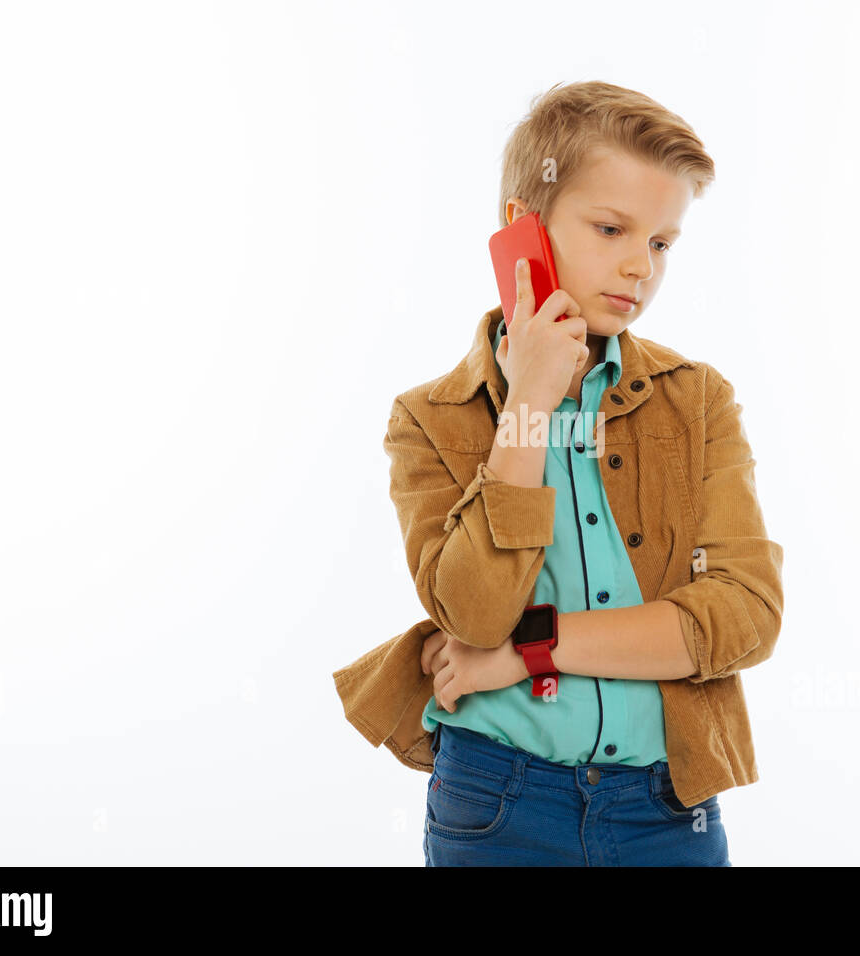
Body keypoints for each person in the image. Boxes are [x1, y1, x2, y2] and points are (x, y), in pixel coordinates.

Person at [333, 80, 785, 866]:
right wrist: (530, 404)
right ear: (524, 231)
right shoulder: (429, 419)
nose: (641, 266)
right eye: (612, 228)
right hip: (497, 801)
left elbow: (743, 616)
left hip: (665, 808)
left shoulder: (698, 402)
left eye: (662, 242)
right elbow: (473, 614)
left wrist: (526, 652)